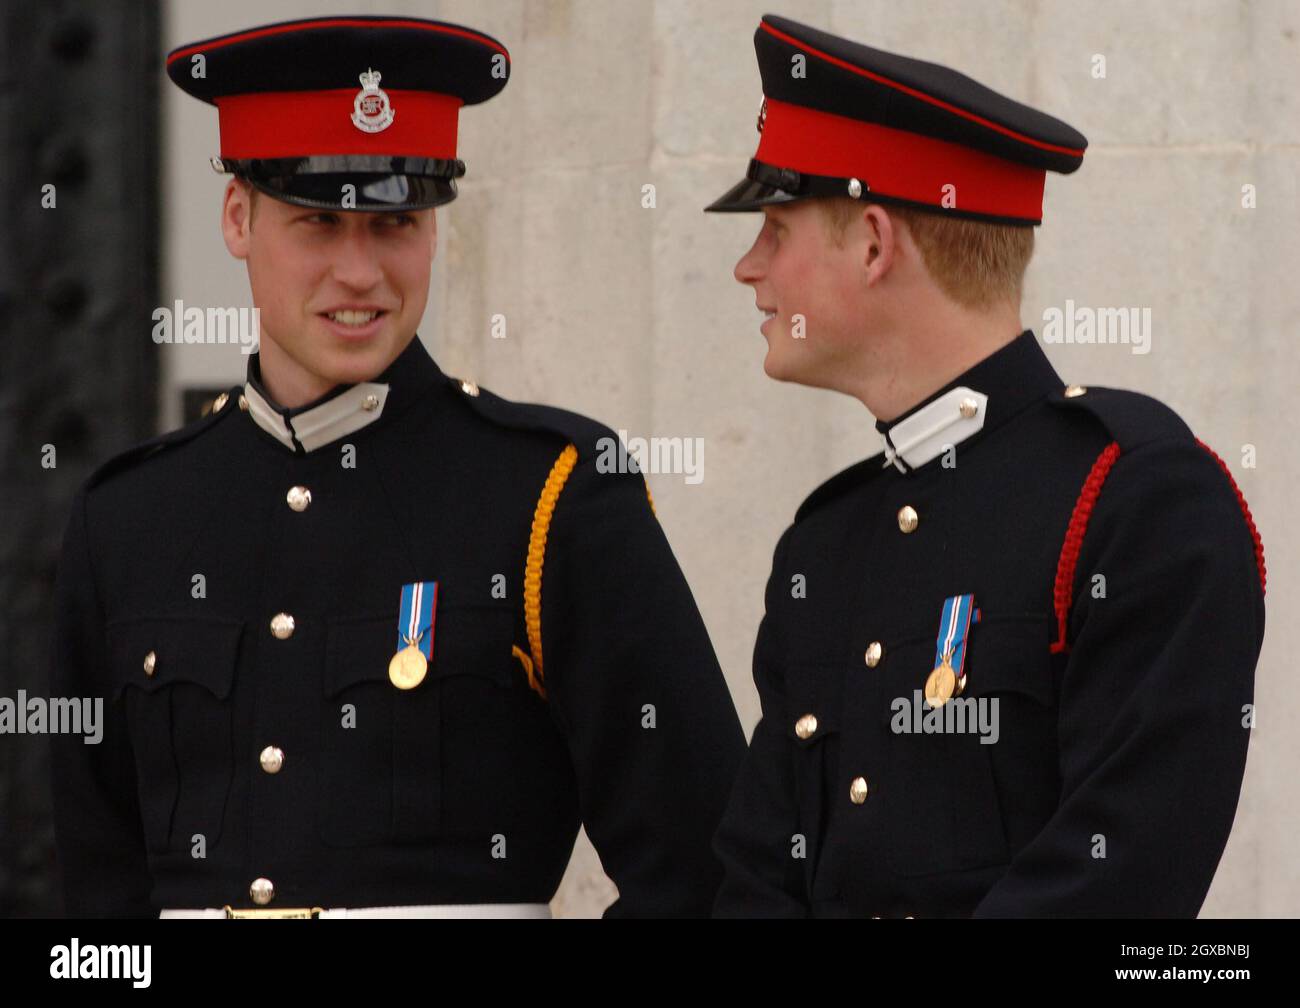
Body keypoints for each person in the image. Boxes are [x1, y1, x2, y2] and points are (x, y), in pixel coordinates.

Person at [49, 14, 744, 919]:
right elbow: (101, 899)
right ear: (238, 218)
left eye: (396, 224)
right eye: (319, 223)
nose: (361, 272)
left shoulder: (552, 493)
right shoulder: (128, 517)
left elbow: (706, 869)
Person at [705, 14, 1266, 917]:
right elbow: (756, 877)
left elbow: (1120, 880)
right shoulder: (822, 545)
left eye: (775, 228)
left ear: (876, 244)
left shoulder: (1134, 497)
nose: (747, 267)